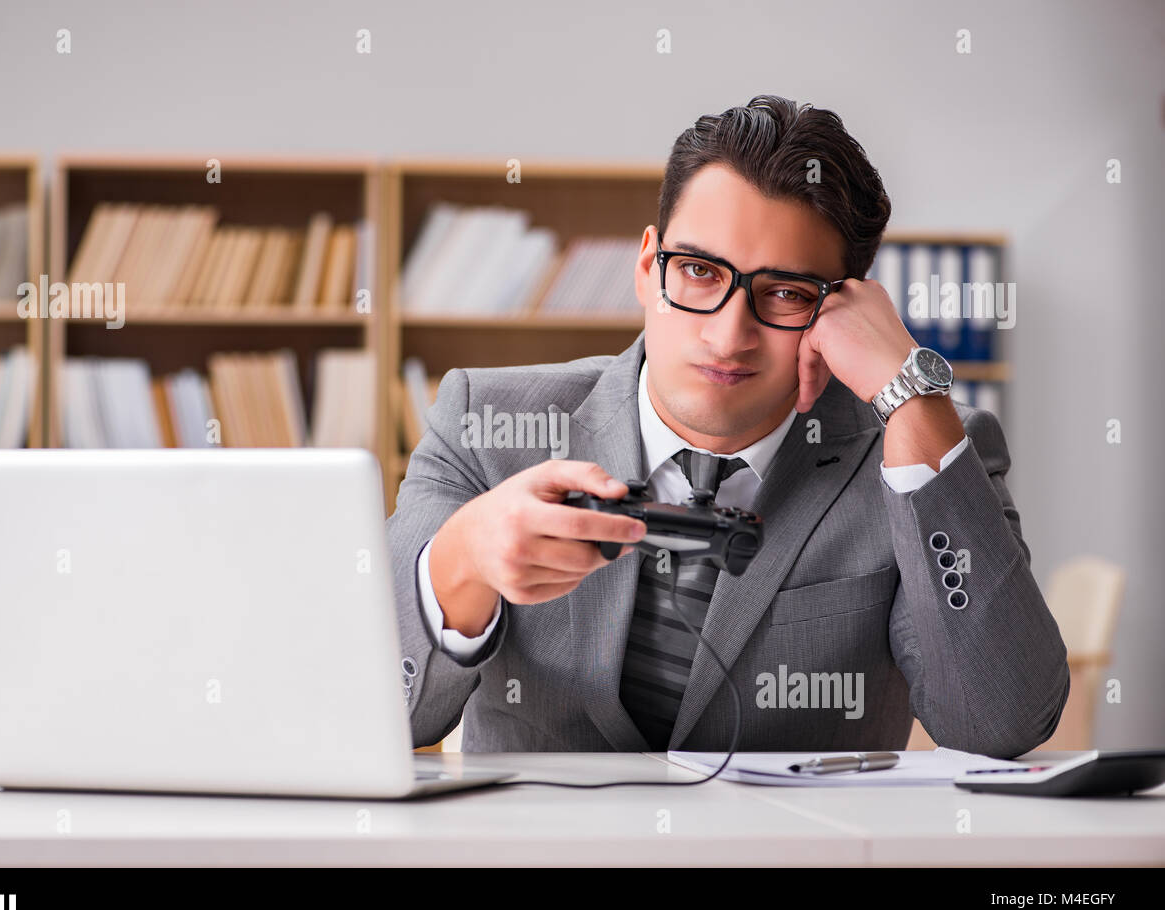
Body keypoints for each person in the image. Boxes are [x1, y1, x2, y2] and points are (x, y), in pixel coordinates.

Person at [386, 94, 1069, 759]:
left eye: (785, 293)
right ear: (649, 267)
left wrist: (912, 393)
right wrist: (464, 558)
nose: (728, 333)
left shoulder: (926, 449)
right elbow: (385, 712)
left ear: (846, 311)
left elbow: (999, 721)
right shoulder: (485, 423)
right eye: (698, 271)